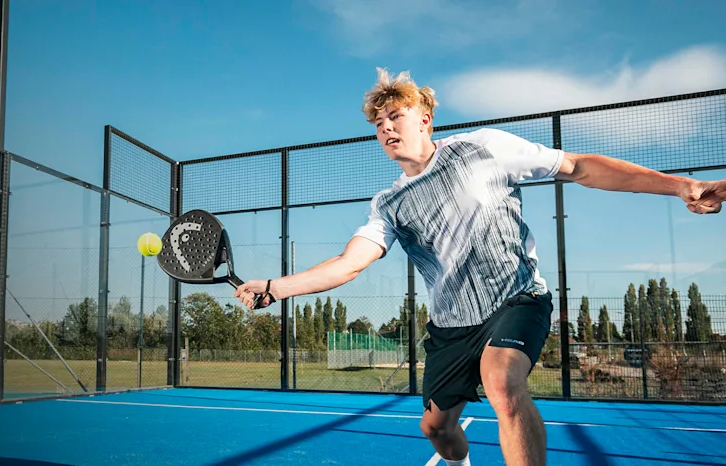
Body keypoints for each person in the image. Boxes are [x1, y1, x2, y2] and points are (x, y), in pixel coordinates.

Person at [233, 68, 725, 466]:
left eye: (395, 115)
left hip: (518, 298)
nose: (385, 127)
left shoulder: (482, 149)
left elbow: (578, 167)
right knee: (437, 429)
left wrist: (678, 185)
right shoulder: (387, 205)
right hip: (451, 327)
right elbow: (347, 265)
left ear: (425, 118)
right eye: (377, 122)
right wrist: (276, 287)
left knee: (502, 383)